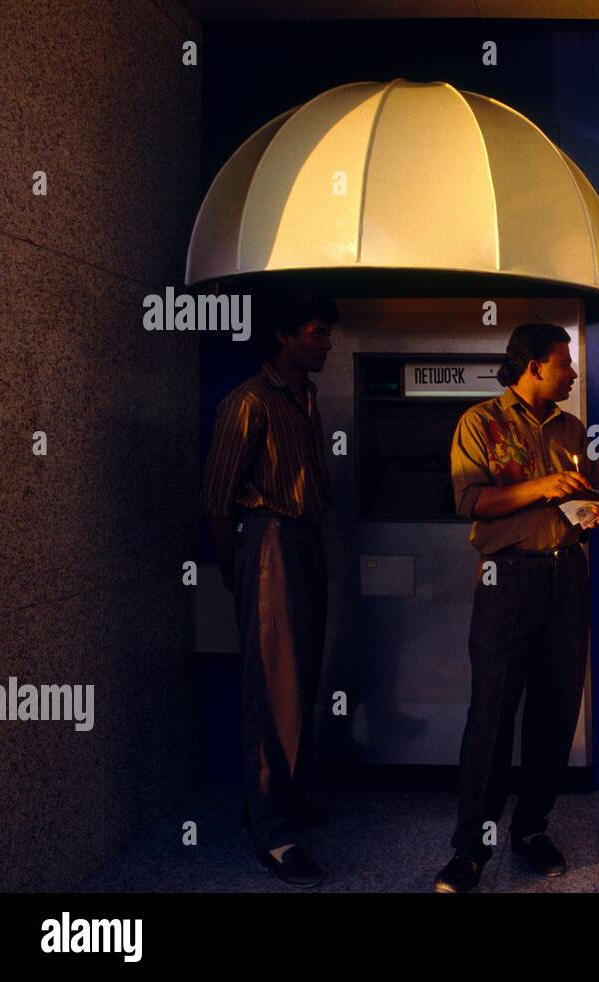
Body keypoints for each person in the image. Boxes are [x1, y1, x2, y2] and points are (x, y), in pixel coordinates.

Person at [434, 322, 599, 894]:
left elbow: (589, 494)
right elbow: (471, 501)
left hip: (568, 574)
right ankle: (470, 850)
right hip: (506, 578)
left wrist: (592, 512)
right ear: (533, 365)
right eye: (564, 363)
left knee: (556, 712)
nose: (573, 373)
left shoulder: (572, 429)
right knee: (491, 714)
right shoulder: (480, 423)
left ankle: (531, 830)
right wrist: (542, 487)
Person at [202, 289, 338, 887]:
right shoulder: (249, 402)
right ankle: (273, 836)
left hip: (305, 540)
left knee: (302, 675)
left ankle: (284, 797)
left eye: (327, 332)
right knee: (273, 684)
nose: (325, 341)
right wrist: (238, 567)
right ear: (283, 337)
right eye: (314, 331)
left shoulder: (306, 397)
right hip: (269, 543)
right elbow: (216, 499)